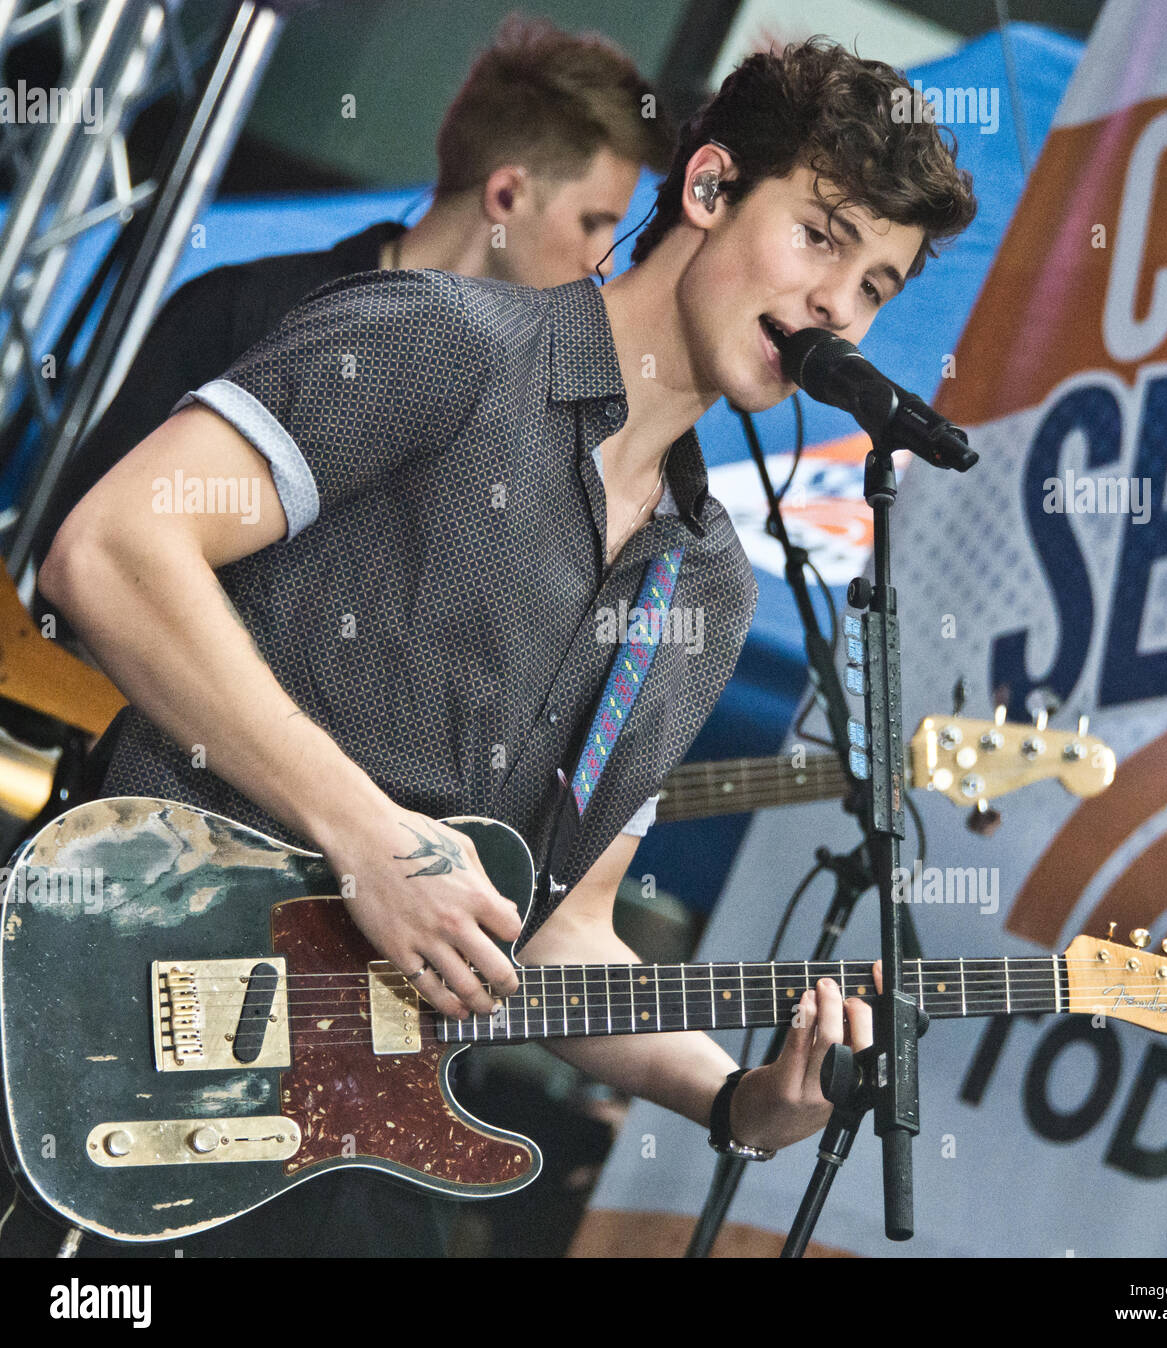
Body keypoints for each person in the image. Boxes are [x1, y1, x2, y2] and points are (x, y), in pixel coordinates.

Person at [34, 36, 976, 1257]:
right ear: (705, 188)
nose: (833, 308)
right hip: (122, 1029)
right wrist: (368, 837)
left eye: (875, 287)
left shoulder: (706, 586)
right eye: (821, 237)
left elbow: (560, 932)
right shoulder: (447, 343)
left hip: (341, 1147)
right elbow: (108, 548)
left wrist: (739, 1098)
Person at [30, 12, 671, 580]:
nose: (602, 262)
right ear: (506, 195)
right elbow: (80, 548)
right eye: (595, 223)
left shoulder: (539, 415)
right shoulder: (242, 311)